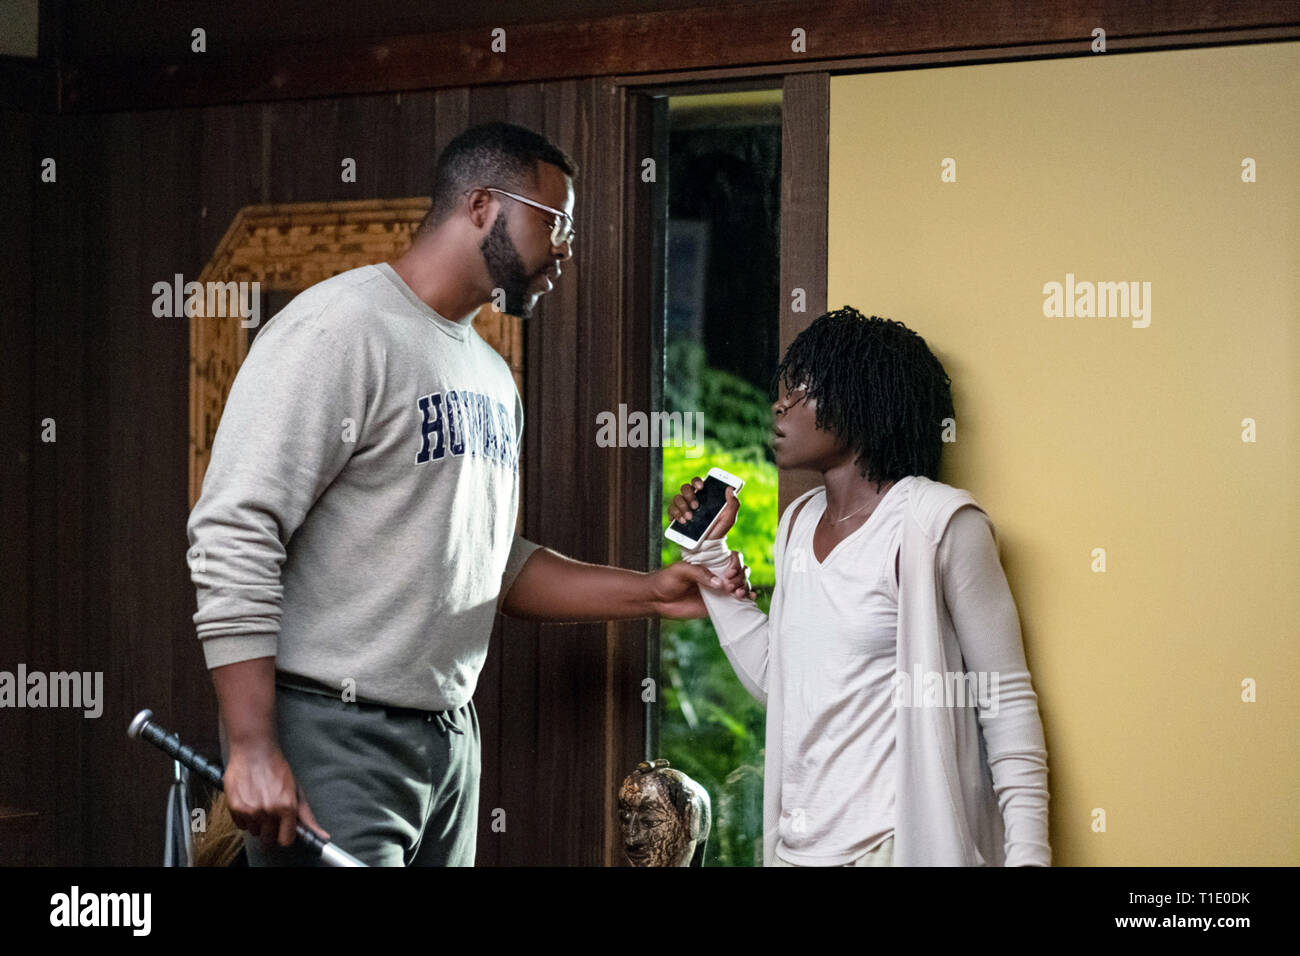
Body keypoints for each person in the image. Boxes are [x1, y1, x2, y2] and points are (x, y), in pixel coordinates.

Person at [186, 121, 748, 867]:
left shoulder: (490, 377)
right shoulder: (337, 330)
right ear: (482, 204)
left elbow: (491, 566)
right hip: (333, 731)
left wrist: (652, 592)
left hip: (450, 743)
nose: (566, 248)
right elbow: (233, 531)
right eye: (556, 221)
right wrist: (253, 745)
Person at [669, 306, 1051, 867]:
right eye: (783, 390)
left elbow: (1006, 703)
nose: (780, 405)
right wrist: (708, 554)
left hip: (896, 850)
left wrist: (1029, 861)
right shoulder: (797, 524)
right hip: (798, 853)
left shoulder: (938, 524)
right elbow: (784, 683)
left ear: (861, 404)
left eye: (802, 391)